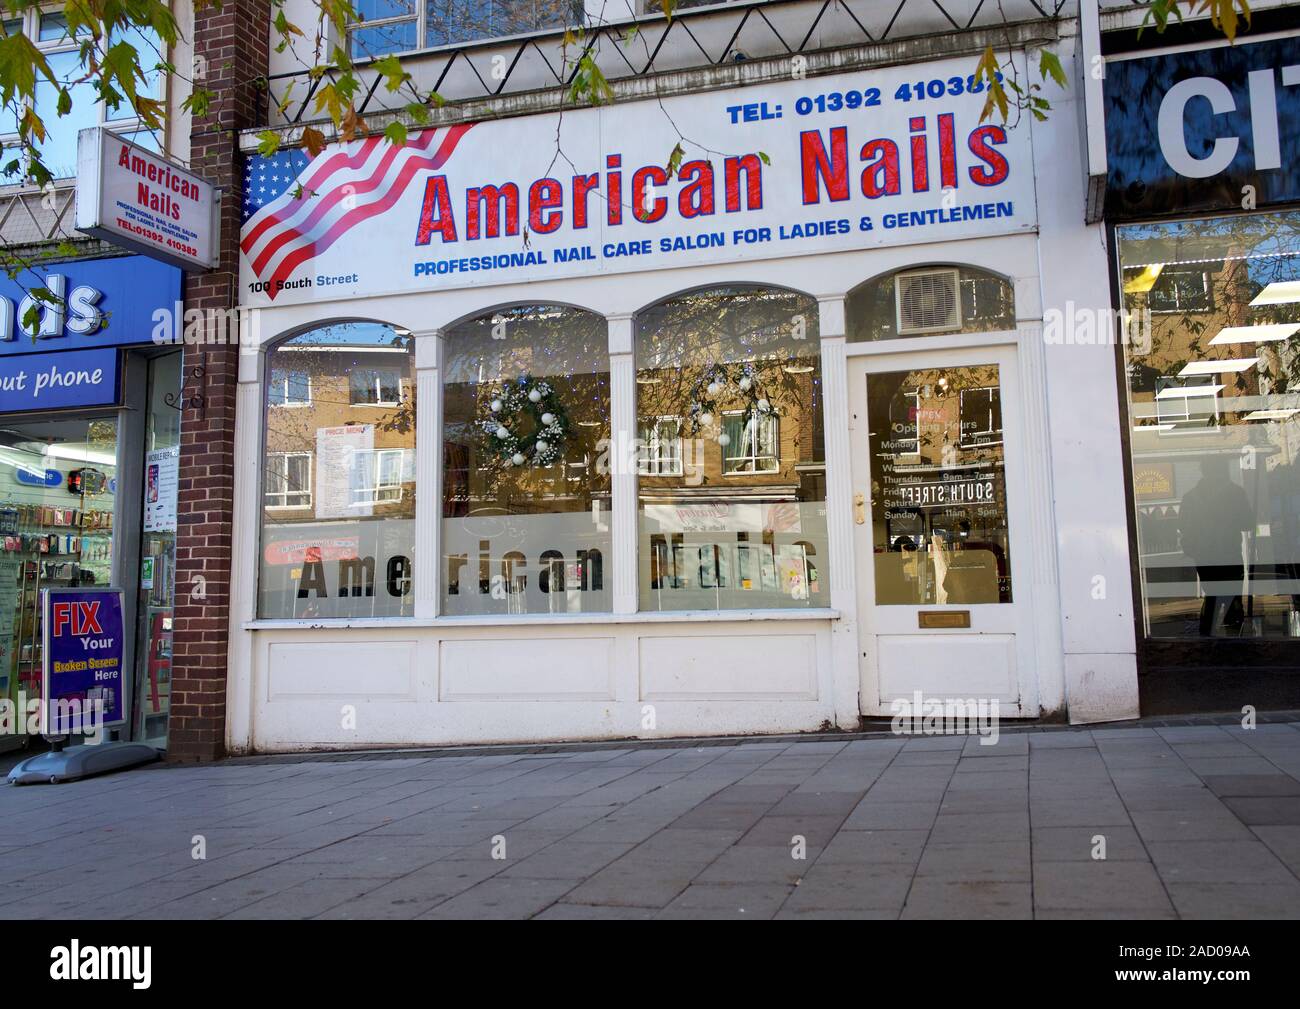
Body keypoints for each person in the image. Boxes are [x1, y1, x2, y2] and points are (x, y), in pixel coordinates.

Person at [1178, 456, 1254, 636]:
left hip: (1206, 556)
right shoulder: (1236, 493)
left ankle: (1208, 640)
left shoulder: (1191, 497)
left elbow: (1182, 525)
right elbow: (1248, 522)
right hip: (1228, 554)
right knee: (1231, 600)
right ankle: (1234, 642)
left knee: (1212, 598)